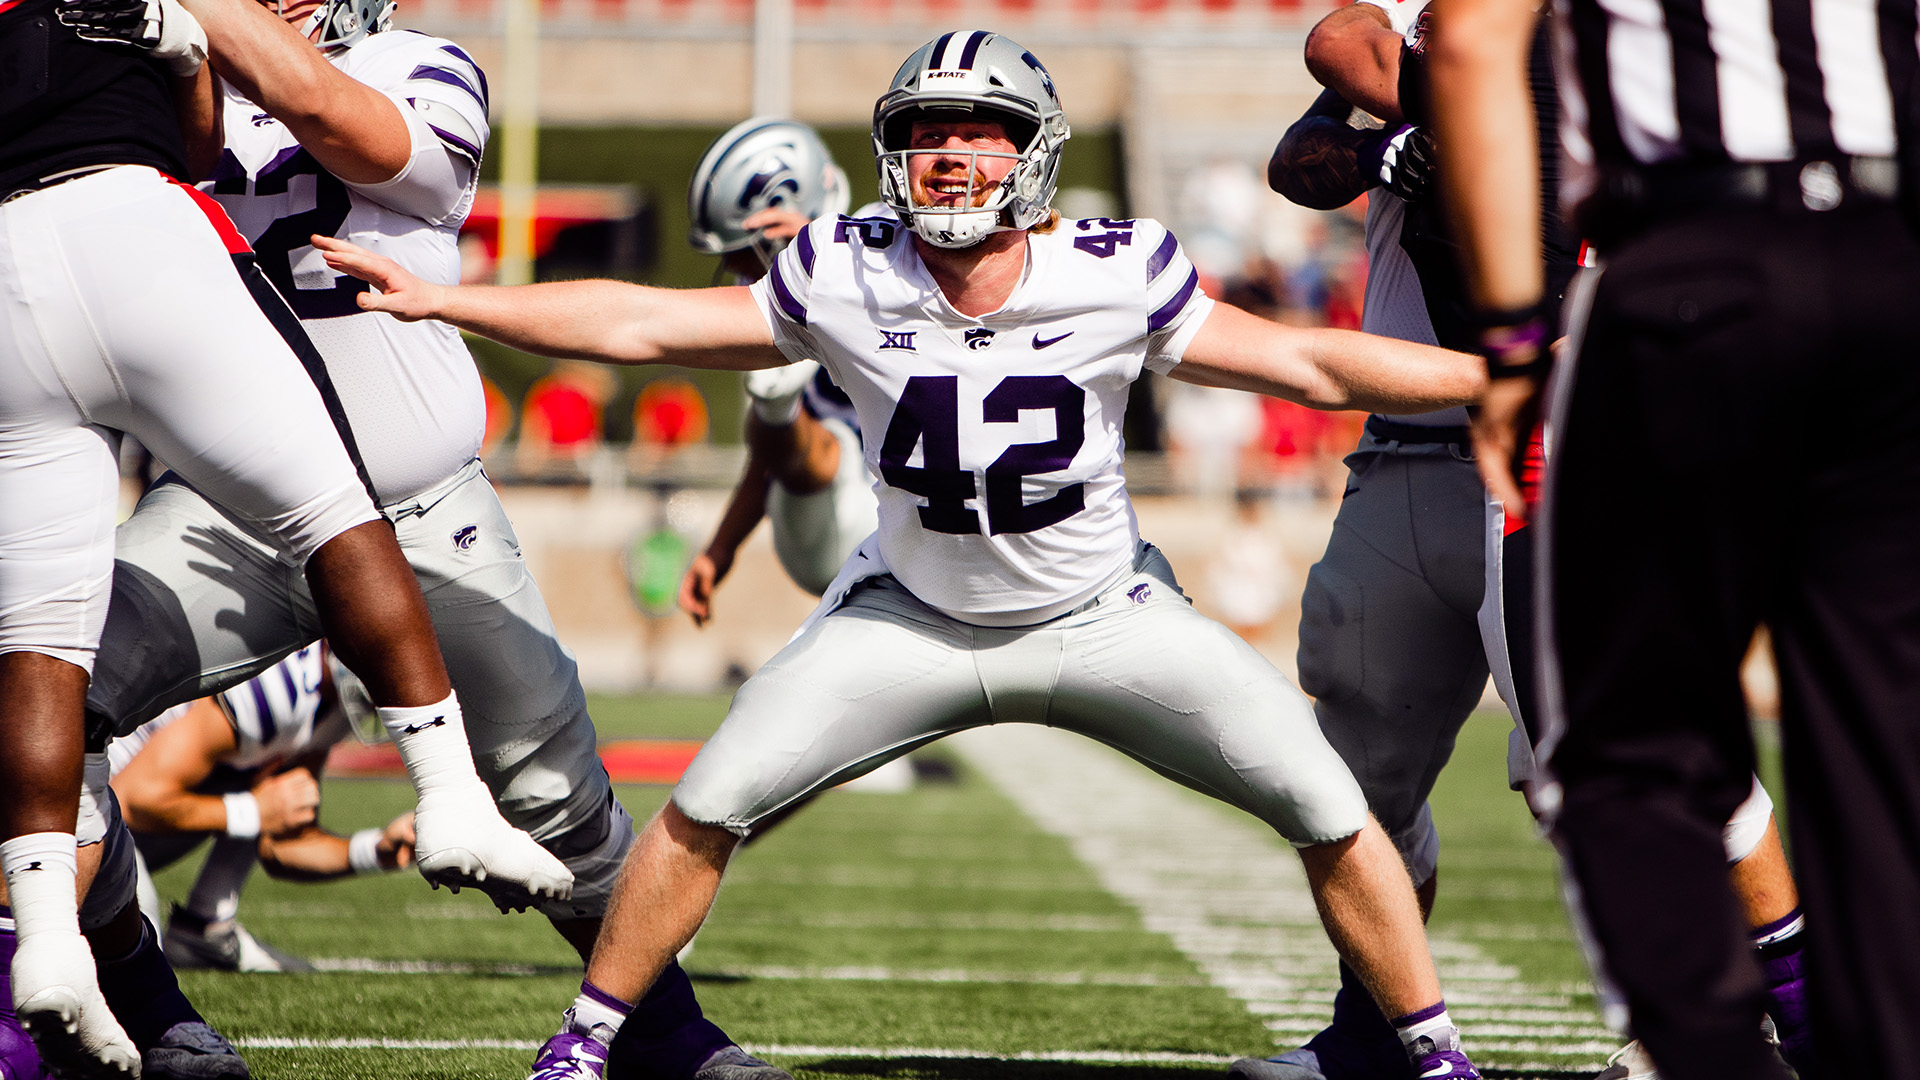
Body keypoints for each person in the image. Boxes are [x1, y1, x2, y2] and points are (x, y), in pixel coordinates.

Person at [320, 29, 1502, 1080]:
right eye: (926, 134)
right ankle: (586, 1044)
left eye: (980, 136)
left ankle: (1429, 1051)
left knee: (1331, 804)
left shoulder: (1113, 265)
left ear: (1031, 155)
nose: (949, 157)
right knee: (707, 804)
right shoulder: (847, 263)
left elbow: (1311, 367)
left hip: (1104, 614)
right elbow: (649, 321)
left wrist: (1499, 380)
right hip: (910, 618)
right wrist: (447, 303)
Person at [1232, 3, 1817, 1079]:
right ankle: (1373, 1031)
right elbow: (1304, 157)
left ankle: (1793, 1016)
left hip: (1576, 441)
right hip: (1406, 450)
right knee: (1357, 774)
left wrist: (1454, 123)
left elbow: (1347, 45)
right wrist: (1398, 145)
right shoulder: (1449, 32)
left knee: (1630, 749)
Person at [0, 0, 564, 1074]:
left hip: (6, 278)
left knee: (38, 642)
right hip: (128, 229)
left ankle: (49, 943)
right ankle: (448, 798)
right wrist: (181, 34)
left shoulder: (412, 68)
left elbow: (326, 113)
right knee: (332, 503)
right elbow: (204, 138)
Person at [1428, 0, 1920, 1077]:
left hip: (1697, 269)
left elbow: (1468, 43)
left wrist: (1512, 342)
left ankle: (1708, 1058)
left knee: (1620, 744)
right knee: (1880, 738)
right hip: (1893, 260)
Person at [677, 117, 880, 623]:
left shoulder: (883, 245)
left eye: (749, 255)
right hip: (848, 524)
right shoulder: (789, 318)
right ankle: (776, 402)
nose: (746, 274)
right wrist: (721, 548)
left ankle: (776, 402)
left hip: (918, 497)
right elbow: (771, 457)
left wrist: (831, 249)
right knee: (780, 418)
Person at [106, 646, 414, 973]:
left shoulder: (332, 701)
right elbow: (130, 798)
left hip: (122, 824)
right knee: (139, 952)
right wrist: (253, 811)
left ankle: (204, 926)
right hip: (80, 817)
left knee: (275, 790)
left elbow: (282, 842)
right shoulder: (277, 682)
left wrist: (377, 850)